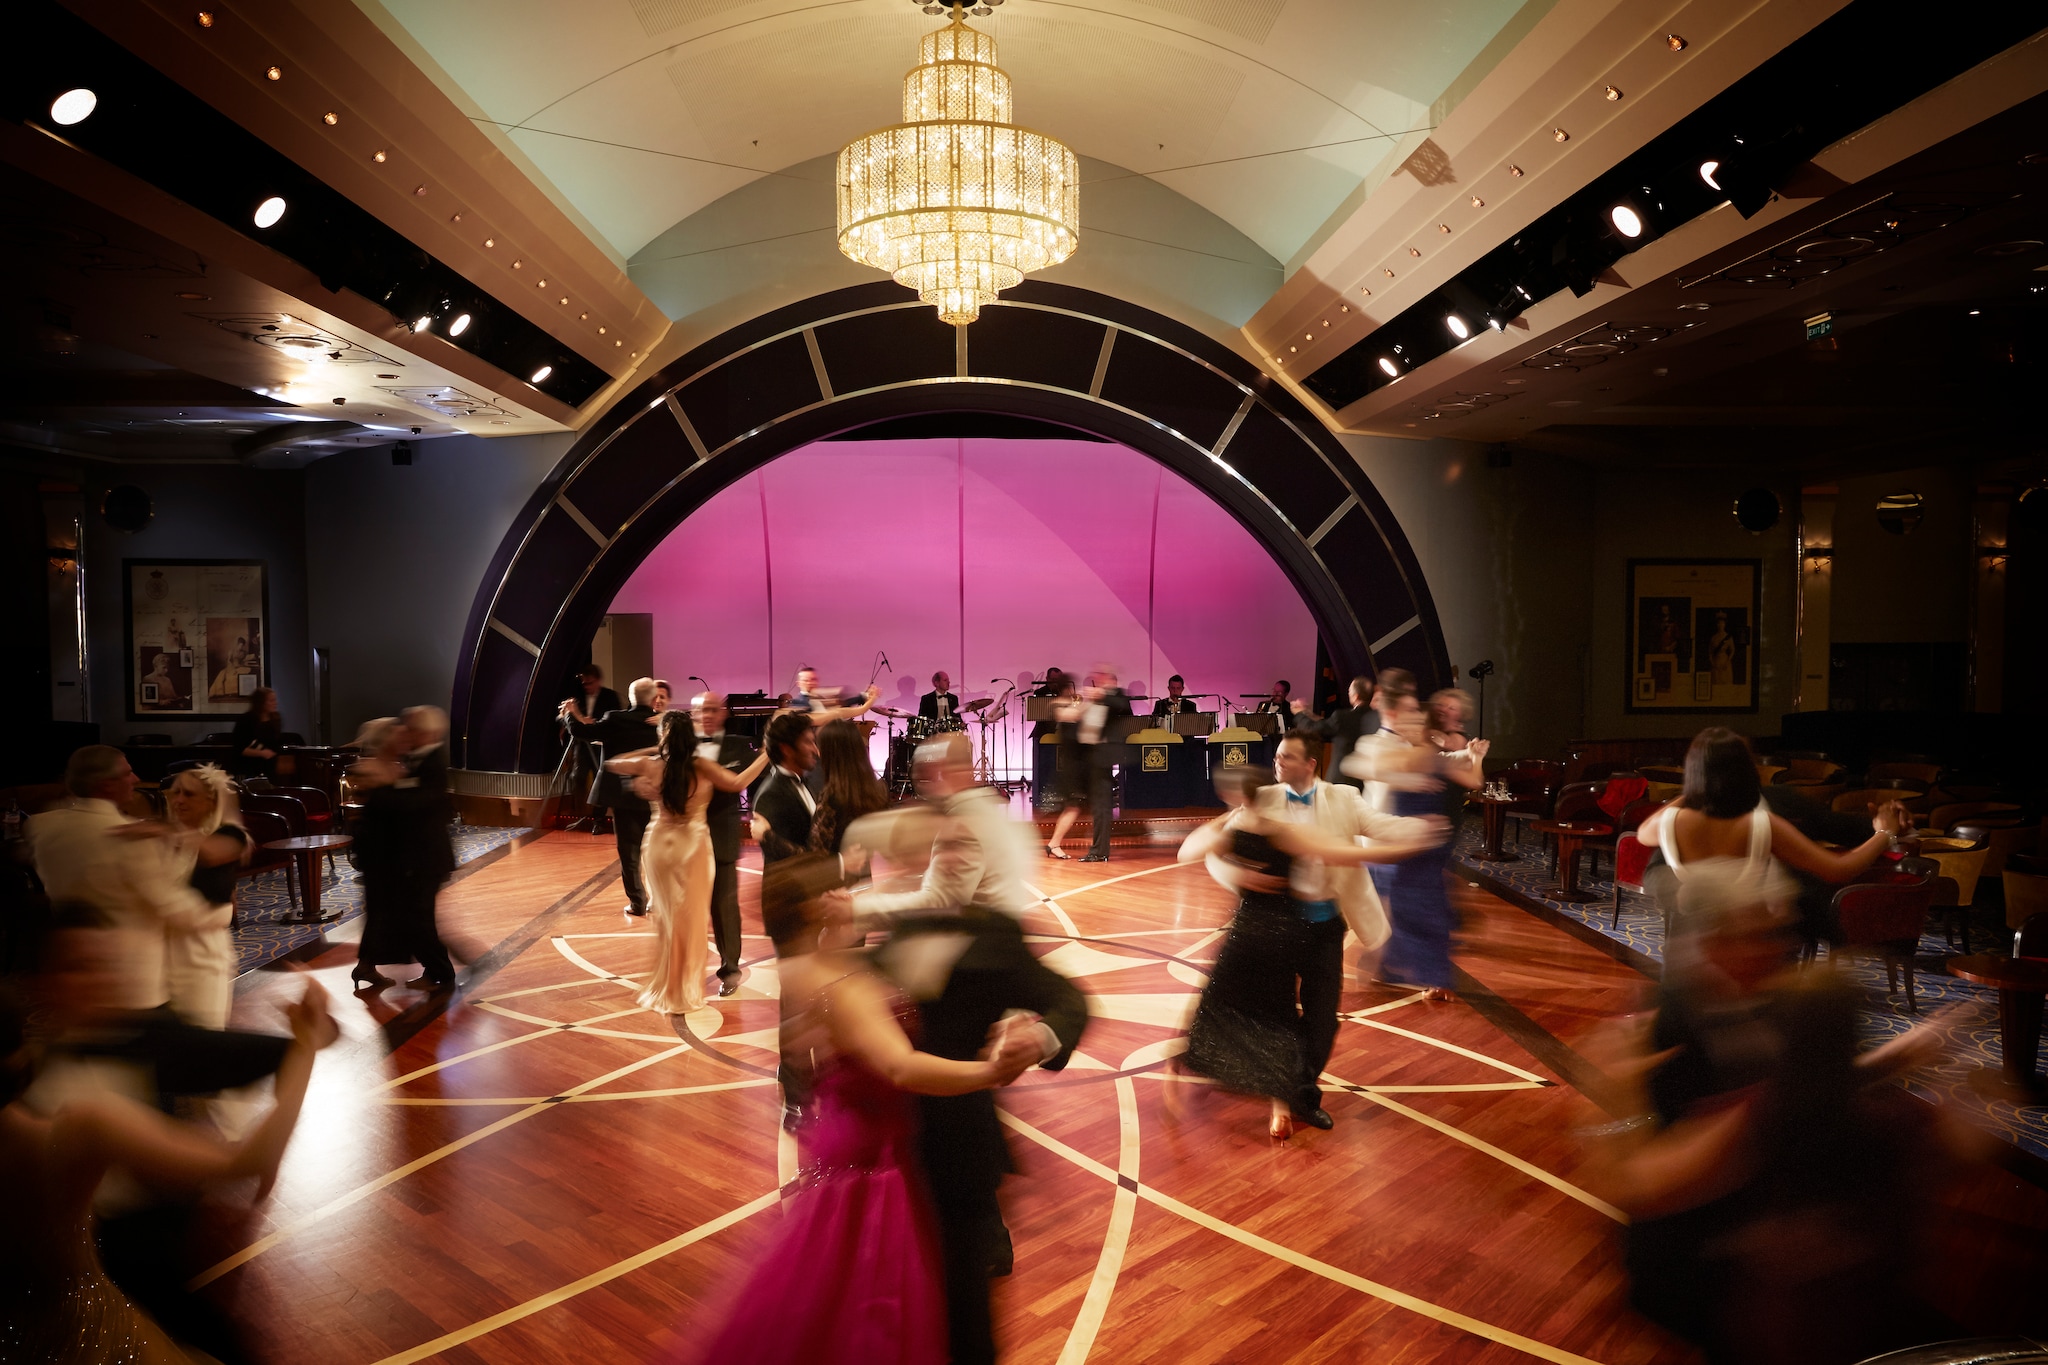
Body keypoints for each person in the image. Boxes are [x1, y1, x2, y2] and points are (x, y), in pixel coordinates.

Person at [692, 855, 1042, 1365]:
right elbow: (901, 1067)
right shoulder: (846, 989)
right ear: (819, 907)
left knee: (826, 1285)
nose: (855, 896)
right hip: (875, 1159)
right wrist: (989, 1073)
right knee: (871, 1294)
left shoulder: (804, 970)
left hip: (844, 1137)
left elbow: (809, 1062)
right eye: (843, 890)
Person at [1598, 862, 1953, 1364]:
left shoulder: (1785, 1001)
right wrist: (1616, 1109)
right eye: (1763, 934)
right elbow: (1646, 1184)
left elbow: (1804, 1088)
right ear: (1714, 940)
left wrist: (1889, 1060)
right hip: (1701, 1256)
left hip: (1784, 1263)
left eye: (1783, 931)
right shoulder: (1666, 1021)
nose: (1782, 947)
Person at [1, 971, 338, 1365]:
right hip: (95, 1342)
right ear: (18, 1053)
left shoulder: (71, 1110)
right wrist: (306, 1044)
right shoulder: (77, 1131)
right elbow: (248, 1161)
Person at [863, 836, 1089, 1365]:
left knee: (963, 1311)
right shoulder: (890, 928)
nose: (948, 861)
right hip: (882, 1146)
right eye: (939, 849)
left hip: (959, 1142)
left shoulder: (995, 934)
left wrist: (1042, 1036)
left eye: (963, 853)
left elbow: (1068, 998)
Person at [1178, 745, 1446, 1136]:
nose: (1278, 761)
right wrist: (1239, 875)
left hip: (1324, 927)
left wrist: (1420, 834)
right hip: (1274, 932)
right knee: (1276, 1017)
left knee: (1323, 1022)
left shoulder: (1344, 797)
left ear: (1310, 764)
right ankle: (1289, 1099)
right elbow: (1210, 847)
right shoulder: (1261, 798)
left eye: (1287, 756)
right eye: (1277, 756)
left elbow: (1379, 829)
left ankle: (1297, 1090)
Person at [1634, 728, 1906, 911]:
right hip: (1748, 942)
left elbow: (1642, 833)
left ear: (1693, 770)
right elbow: (1838, 870)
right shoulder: (1763, 825)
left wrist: (1698, 788)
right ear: (1748, 768)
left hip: (1693, 950)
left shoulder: (1669, 822)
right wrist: (1885, 834)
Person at [607, 712, 770, 1015]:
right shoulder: (701, 765)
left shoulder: (651, 764)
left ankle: (670, 985)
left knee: (668, 920)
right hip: (691, 847)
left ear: (664, 737)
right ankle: (684, 991)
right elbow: (738, 782)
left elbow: (614, 763)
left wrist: (653, 750)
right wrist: (766, 755)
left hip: (658, 845)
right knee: (691, 921)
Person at [28, 746, 192, 1013]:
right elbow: (175, 905)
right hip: (133, 979)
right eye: (127, 773)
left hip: (73, 978)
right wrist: (177, 840)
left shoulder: (40, 826)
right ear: (106, 784)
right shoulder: (133, 839)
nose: (136, 779)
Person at [1357, 688, 1487, 1000]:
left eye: (1419, 725)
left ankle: (1435, 977)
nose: (1415, 730)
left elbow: (1474, 781)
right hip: (1403, 845)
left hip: (1431, 847)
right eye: (1410, 725)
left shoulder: (1433, 757)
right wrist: (1409, 780)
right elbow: (1364, 768)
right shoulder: (1393, 754)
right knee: (1403, 912)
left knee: (1430, 913)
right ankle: (1393, 967)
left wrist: (1476, 758)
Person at [851, 733, 1036, 923]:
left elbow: (937, 902)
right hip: (997, 925)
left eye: (925, 777)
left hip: (981, 931)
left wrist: (855, 909)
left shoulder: (962, 825)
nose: (922, 789)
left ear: (942, 773)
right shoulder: (989, 809)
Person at [349, 717, 457, 991]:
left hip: (398, 853)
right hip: (380, 852)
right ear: (386, 740)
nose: (406, 739)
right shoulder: (373, 768)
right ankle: (434, 970)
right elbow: (378, 811)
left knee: (386, 912)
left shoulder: (399, 767)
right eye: (400, 736)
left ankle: (367, 965)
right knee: (388, 911)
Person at [158, 765, 248, 1029]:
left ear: (211, 802)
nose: (178, 800)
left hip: (200, 956)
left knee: (204, 1032)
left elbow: (213, 856)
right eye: (175, 792)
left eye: (188, 794)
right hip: (158, 956)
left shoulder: (228, 837)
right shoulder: (162, 840)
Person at [690, 691, 759, 995]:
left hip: (721, 839)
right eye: (701, 710)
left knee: (724, 909)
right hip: (683, 841)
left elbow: (756, 781)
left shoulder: (738, 745)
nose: (706, 715)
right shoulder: (679, 745)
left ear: (723, 713)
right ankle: (686, 973)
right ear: (692, 715)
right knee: (685, 910)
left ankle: (730, 971)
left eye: (712, 709)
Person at [588, 678, 662, 917]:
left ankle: (637, 902)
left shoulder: (615, 719)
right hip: (657, 797)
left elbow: (582, 732)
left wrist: (569, 715)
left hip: (624, 796)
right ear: (654, 699)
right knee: (658, 851)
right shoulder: (666, 723)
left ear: (631, 697)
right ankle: (662, 901)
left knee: (629, 852)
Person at [1047, 668, 1130, 863]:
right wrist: (1091, 700)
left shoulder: (1104, 700)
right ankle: (1056, 844)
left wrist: (1096, 697)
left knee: (1086, 806)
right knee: (1076, 806)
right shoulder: (1060, 705)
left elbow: (1119, 705)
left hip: (1085, 763)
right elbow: (1074, 717)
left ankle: (1089, 848)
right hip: (1074, 765)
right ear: (1067, 688)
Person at [810, 718, 887, 859]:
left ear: (829, 754)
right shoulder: (878, 790)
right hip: (864, 869)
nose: (816, 752)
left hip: (836, 871)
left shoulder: (831, 796)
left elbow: (818, 851)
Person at [753, 710, 823, 865]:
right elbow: (782, 858)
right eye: (808, 742)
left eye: (814, 742)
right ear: (787, 750)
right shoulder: (770, 795)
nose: (815, 750)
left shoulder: (807, 782)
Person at [1289, 674, 1379, 791]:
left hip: (1342, 782)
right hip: (1369, 785)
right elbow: (1327, 723)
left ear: (1355, 696)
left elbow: (1313, 729)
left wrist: (1299, 714)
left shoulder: (1342, 717)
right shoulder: (1378, 719)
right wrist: (1307, 713)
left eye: (1349, 691)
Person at [228, 688, 283, 782]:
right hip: (248, 768)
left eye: (275, 700)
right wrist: (262, 753)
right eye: (271, 700)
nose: (276, 703)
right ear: (261, 703)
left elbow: (275, 745)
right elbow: (239, 748)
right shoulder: (245, 720)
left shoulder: (275, 719)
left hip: (269, 770)